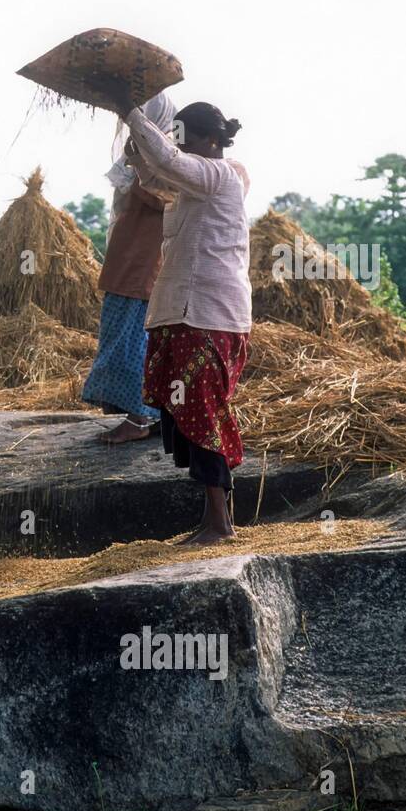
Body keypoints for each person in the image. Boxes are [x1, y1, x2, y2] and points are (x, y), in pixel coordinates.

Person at [94, 79, 251, 545]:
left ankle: (220, 523)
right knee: (180, 409)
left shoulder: (221, 176)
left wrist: (131, 112)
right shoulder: (192, 186)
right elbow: (156, 174)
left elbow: (168, 161)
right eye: (176, 136)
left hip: (209, 315)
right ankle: (212, 519)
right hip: (183, 313)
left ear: (212, 141)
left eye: (185, 137)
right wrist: (136, 149)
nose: (179, 144)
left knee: (201, 411)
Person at [82, 91, 175, 444]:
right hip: (129, 260)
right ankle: (144, 416)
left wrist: (141, 168)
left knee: (133, 341)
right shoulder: (144, 155)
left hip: (143, 263)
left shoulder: (167, 158)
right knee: (123, 335)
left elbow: (163, 197)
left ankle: (140, 419)